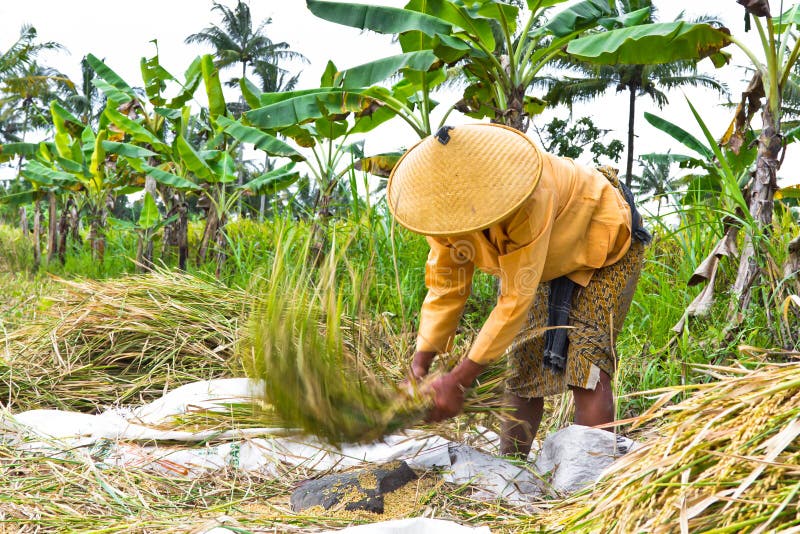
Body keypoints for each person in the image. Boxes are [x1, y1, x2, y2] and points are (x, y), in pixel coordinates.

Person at [387, 123, 650, 458]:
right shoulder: (443, 213)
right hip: (549, 257)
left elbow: (514, 300)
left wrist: (458, 380)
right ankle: (511, 472)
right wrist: (418, 369)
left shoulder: (526, 200)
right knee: (524, 368)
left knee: (587, 368)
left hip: (605, 239)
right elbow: (445, 287)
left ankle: (588, 486)